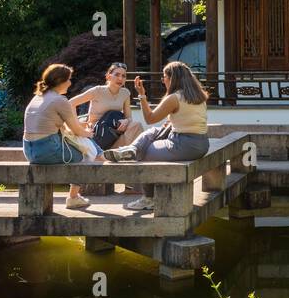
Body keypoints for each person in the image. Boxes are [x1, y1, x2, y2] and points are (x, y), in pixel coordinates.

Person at [105, 61, 210, 212]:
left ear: (172, 78)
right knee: (153, 132)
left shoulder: (174, 98)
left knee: (145, 153)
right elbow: (168, 123)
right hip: (201, 144)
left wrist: (142, 95)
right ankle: (131, 149)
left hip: (184, 144)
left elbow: (150, 118)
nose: (163, 80)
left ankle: (148, 198)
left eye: (164, 77)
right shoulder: (199, 96)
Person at [22, 63, 102, 210]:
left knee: (85, 144)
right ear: (60, 81)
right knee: (86, 154)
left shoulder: (38, 97)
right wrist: (90, 133)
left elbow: (64, 127)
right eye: (69, 79)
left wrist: (82, 130)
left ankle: (102, 156)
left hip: (29, 150)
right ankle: (73, 197)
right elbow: (77, 131)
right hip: (47, 150)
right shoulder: (60, 100)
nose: (71, 83)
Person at [67, 63, 145, 150]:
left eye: (123, 76)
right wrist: (77, 127)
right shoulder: (97, 91)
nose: (120, 78)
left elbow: (129, 117)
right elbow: (70, 103)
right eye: (117, 75)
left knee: (137, 125)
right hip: (97, 135)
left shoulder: (125, 93)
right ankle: (113, 152)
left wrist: (126, 121)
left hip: (115, 133)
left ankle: (128, 153)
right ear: (108, 76)